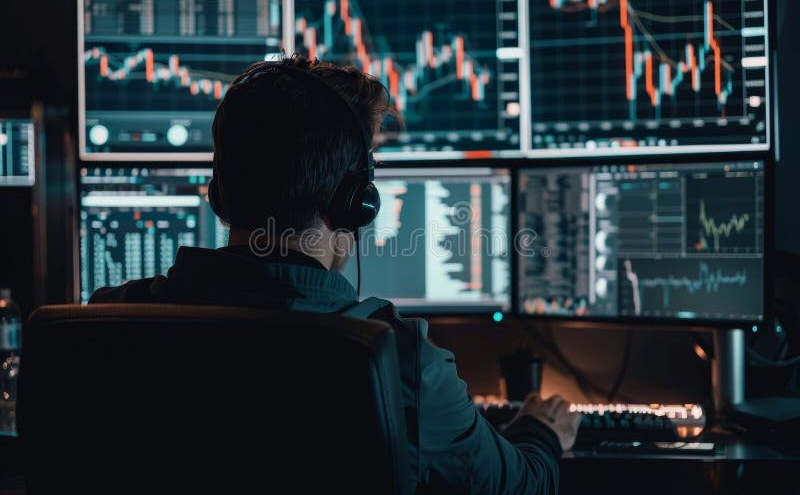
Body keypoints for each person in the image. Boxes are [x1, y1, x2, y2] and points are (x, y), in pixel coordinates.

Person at [89, 55, 582, 493]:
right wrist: (539, 430)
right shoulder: (399, 360)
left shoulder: (105, 323)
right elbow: (522, 485)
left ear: (219, 193)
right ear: (356, 203)